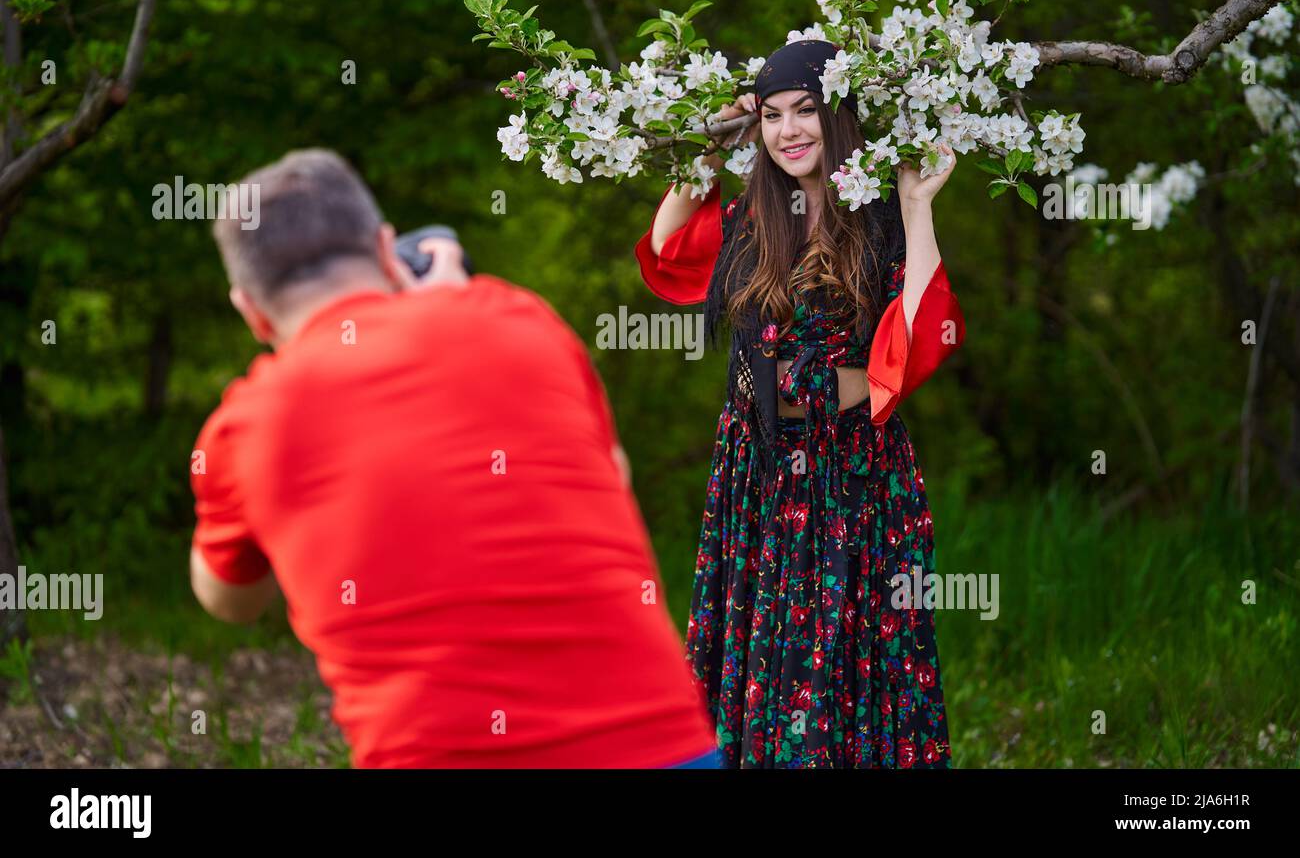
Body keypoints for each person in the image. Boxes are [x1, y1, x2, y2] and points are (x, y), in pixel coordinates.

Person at [189, 148, 717, 768]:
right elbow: (613, 477)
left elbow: (230, 600)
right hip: (662, 751)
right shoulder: (520, 318)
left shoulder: (244, 426)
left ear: (250, 311)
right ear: (387, 251)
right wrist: (461, 306)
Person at [634, 40, 965, 768]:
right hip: (757, 468)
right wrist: (715, 138)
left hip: (851, 470)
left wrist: (917, 207)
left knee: (842, 664)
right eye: (775, 115)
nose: (790, 131)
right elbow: (665, 252)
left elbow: (923, 336)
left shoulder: (875, 212)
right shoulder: (757, 215)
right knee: (766, 667)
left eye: (807, 111)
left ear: (837, 115)